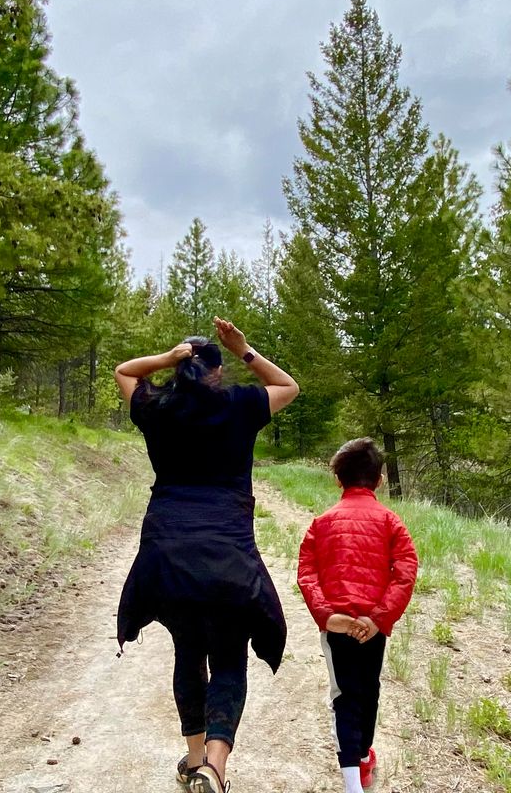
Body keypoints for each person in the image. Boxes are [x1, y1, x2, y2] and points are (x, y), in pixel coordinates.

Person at [114, 317, 300, 793]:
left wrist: (167, 358)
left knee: (187, 649)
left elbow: (124, 372)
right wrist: (243, 349)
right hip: (226, 552)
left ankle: (195, 757)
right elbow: (288, 385)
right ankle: (214, 766)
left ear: (179, 370)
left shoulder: (158, 406)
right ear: (218, 372)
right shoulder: (239, 405)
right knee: (229, 656)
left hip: (167, 552)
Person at [296, 438, 418, 793]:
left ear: (338, 479)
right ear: (379, 480)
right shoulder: (391, 522)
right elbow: (406, 570)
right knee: (369, 688)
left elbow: (307, 571)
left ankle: (354, 780)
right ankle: (363, 758)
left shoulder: (322, 523)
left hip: (338, 628)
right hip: (373, 629)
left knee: (344, 697)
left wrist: (327, 615)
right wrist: (379, 618)